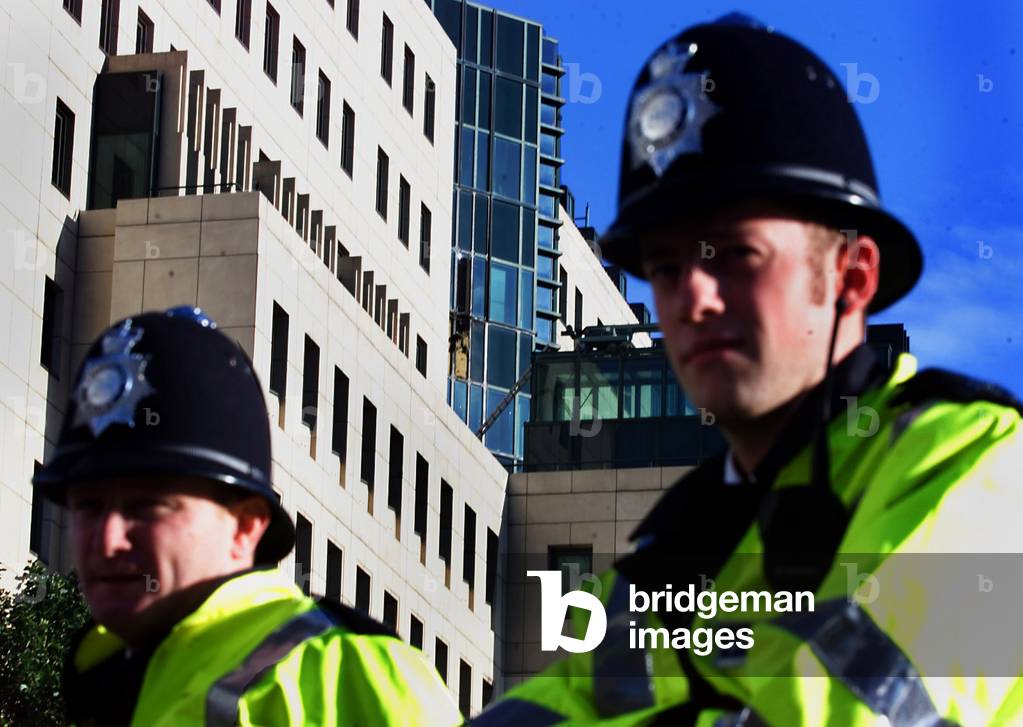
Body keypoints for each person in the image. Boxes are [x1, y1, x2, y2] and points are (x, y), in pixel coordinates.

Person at [473, 14, 1023, 726]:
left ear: (851, 277)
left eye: (734, 253)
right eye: (665, 267)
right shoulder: (665, 552)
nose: (691, 297)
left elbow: (850, 712)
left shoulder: (979, 461)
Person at [33, 306, 461, 726]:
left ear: (245, 526)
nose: (107, 539)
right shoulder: (107, 682)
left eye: (147, 507)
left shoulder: (350, 676)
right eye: (88, 505)